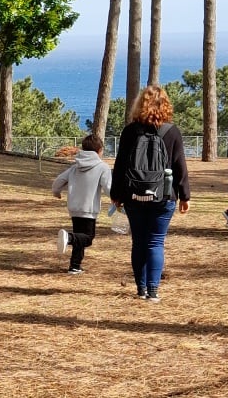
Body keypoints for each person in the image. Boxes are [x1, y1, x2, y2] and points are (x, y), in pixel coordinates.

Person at [108, 85, 189, 303]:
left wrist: (116, 194)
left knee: (139, 242)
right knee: (155, 242)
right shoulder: (172, 131)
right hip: (163, 196)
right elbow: (180, 166)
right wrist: (184, 196)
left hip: (133, 195)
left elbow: (120, 165)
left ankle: (141, 289)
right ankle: (153, 292)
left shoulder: (130, 131)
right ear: (166, 105)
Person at [51, 132, 112, 275]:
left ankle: (75, 266)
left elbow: (58, 181)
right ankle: (69, 237)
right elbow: (108, 187)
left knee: (80, 236)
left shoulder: (75, 167)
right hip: (88, 209)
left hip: (74, 207)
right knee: (88, 238)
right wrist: (117, 199)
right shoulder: (102, 167)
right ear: (99, 151)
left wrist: (56, 192)